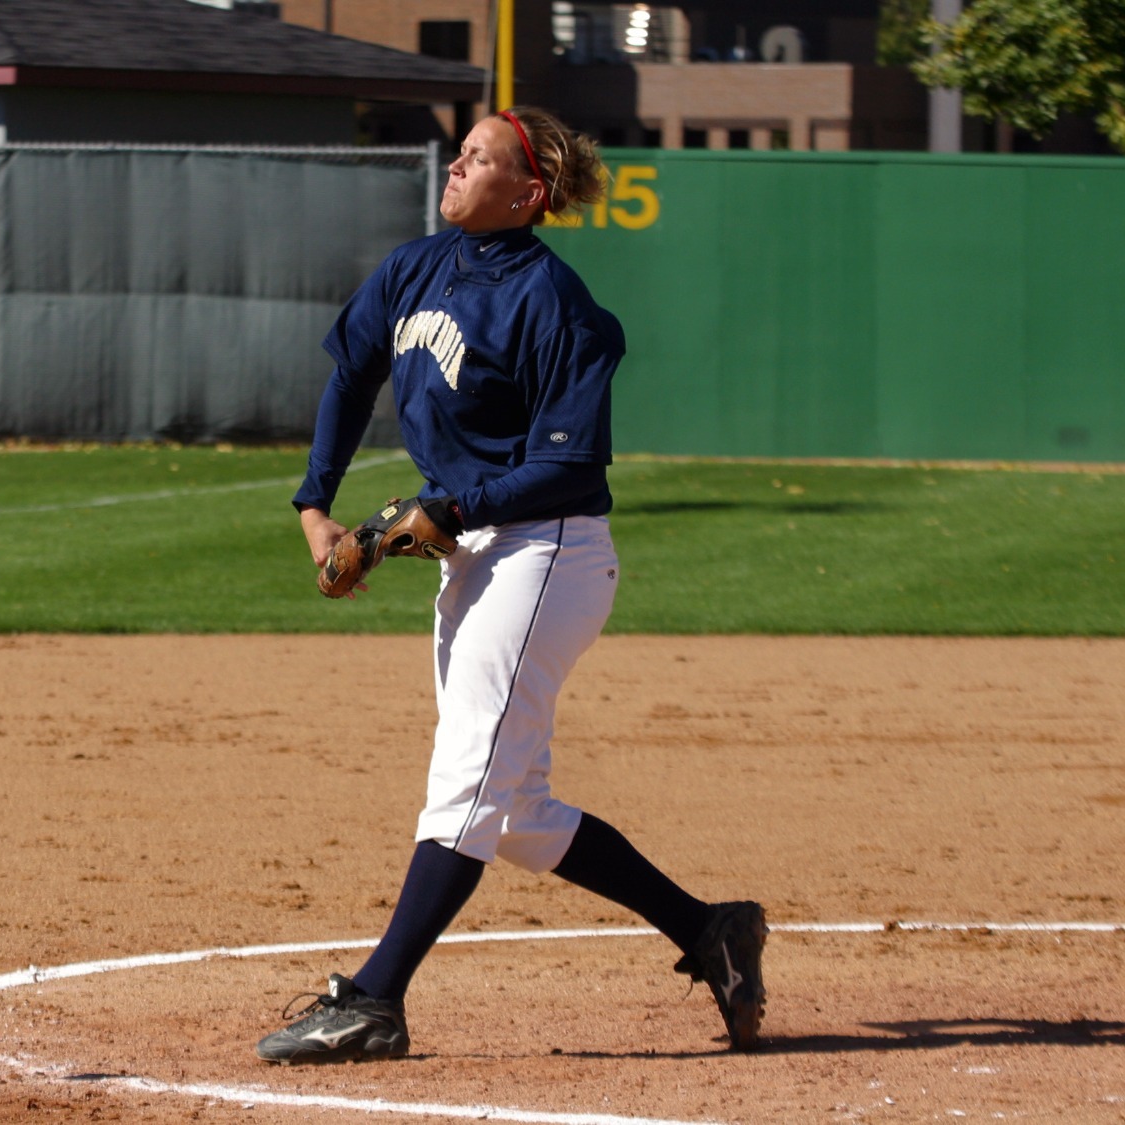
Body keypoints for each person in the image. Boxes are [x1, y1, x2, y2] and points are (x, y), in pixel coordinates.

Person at [255, 107, 767, 1065]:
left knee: (466, 786)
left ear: (528, 194)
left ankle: (375, 999)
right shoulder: (416, 268)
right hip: (478, 555)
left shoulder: (555, 303)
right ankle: (712, 932)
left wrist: (454, 506)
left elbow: (571, 466)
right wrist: (314, 506)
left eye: (479, 157)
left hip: (546, 552)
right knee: (516, 811)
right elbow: (351, 374)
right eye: (460, 153)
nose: (457, 165)